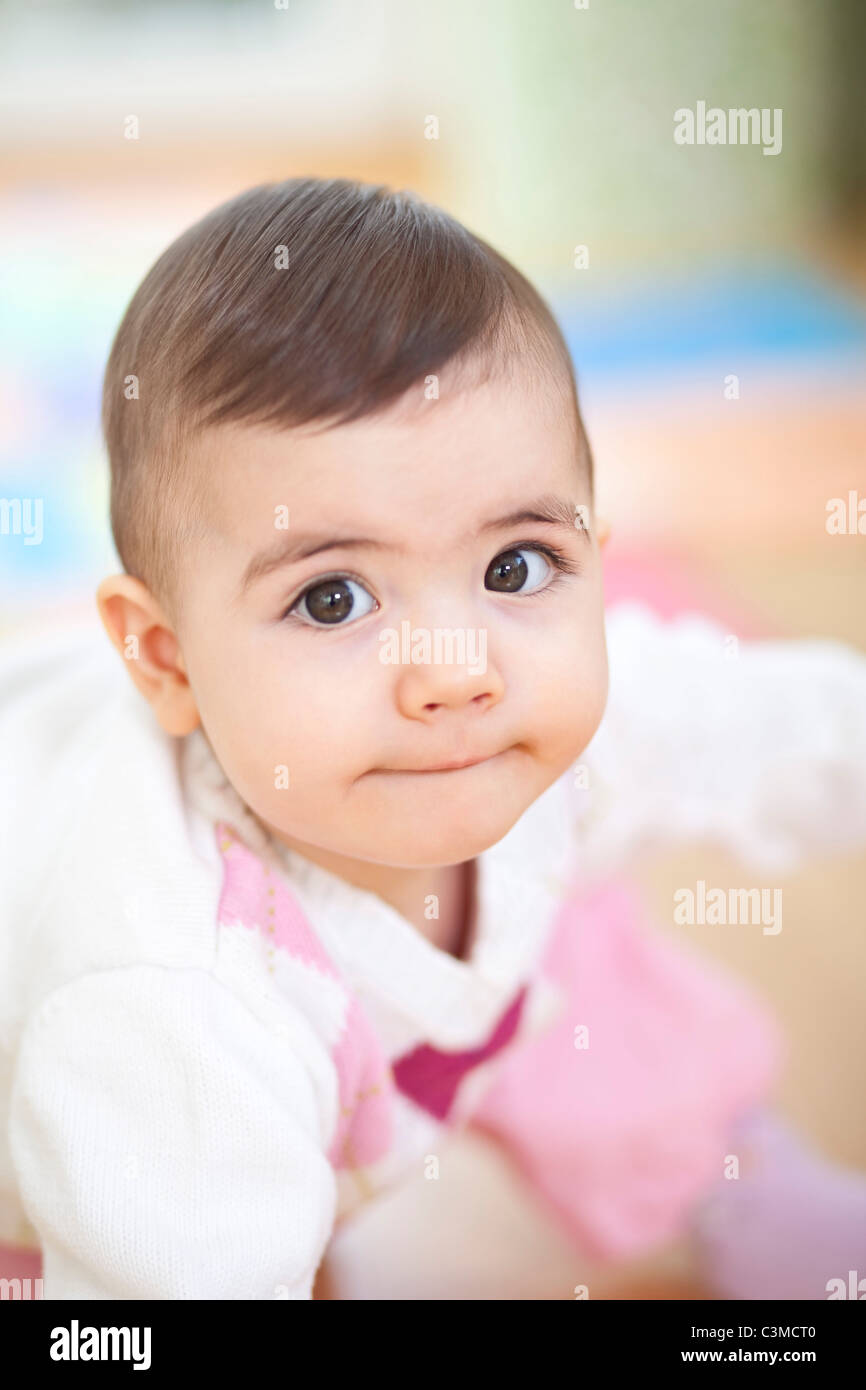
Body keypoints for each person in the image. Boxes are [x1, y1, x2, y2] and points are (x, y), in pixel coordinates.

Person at [1, 177, 865, 1299]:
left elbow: (772, 729)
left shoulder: (521, 730)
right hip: (81, 1144)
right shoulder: (164, 1005)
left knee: (565, 918)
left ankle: (717, 1173)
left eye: (514, 567)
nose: (459, 672)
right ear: (167, 660)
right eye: (331, 599)